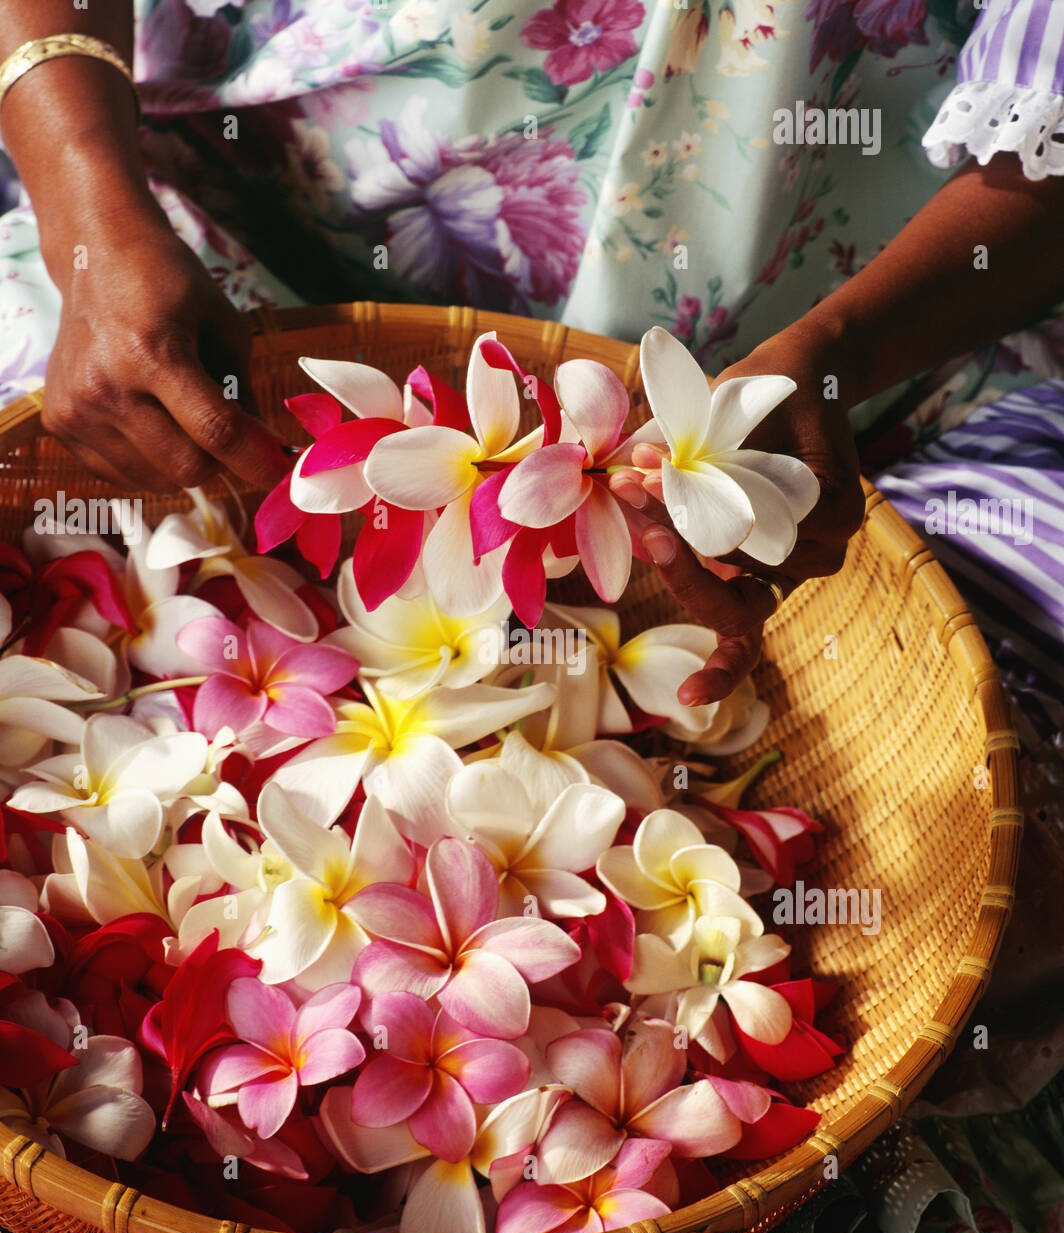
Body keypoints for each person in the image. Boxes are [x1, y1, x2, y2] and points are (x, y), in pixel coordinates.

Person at [0, 0, 1062, 714]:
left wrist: (837, 352)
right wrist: (88, 207)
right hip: (229, 247)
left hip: (866, 354)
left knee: (984, 731)